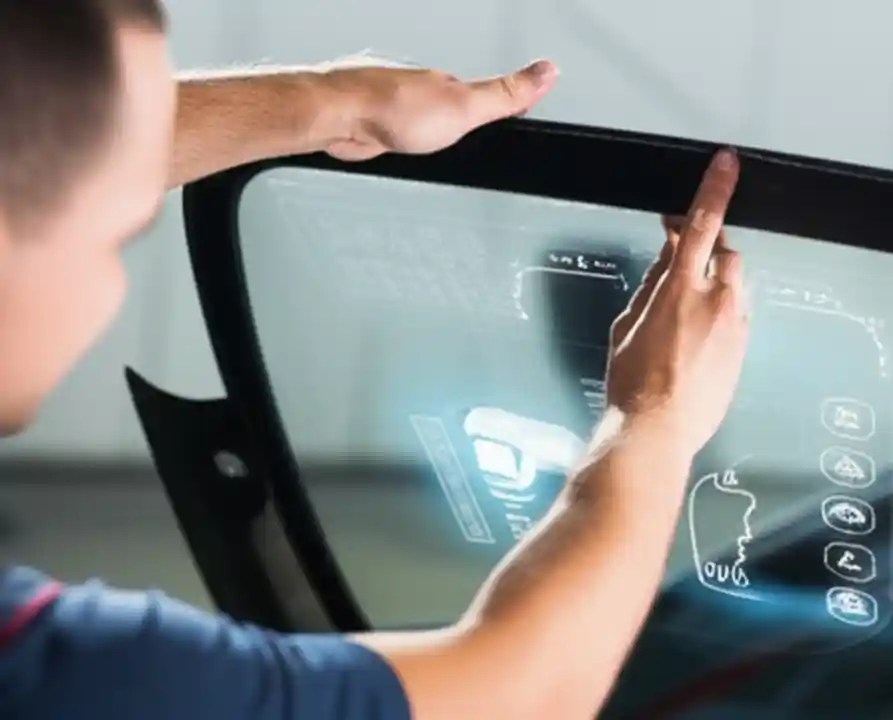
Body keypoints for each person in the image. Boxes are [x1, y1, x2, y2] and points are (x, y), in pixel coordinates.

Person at [0, 1, 749, 718]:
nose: (114, 284)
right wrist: (655, 414)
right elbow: (517, 697)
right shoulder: (65, 672)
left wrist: (339, 104)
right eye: (116, 236)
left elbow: (59, 145)